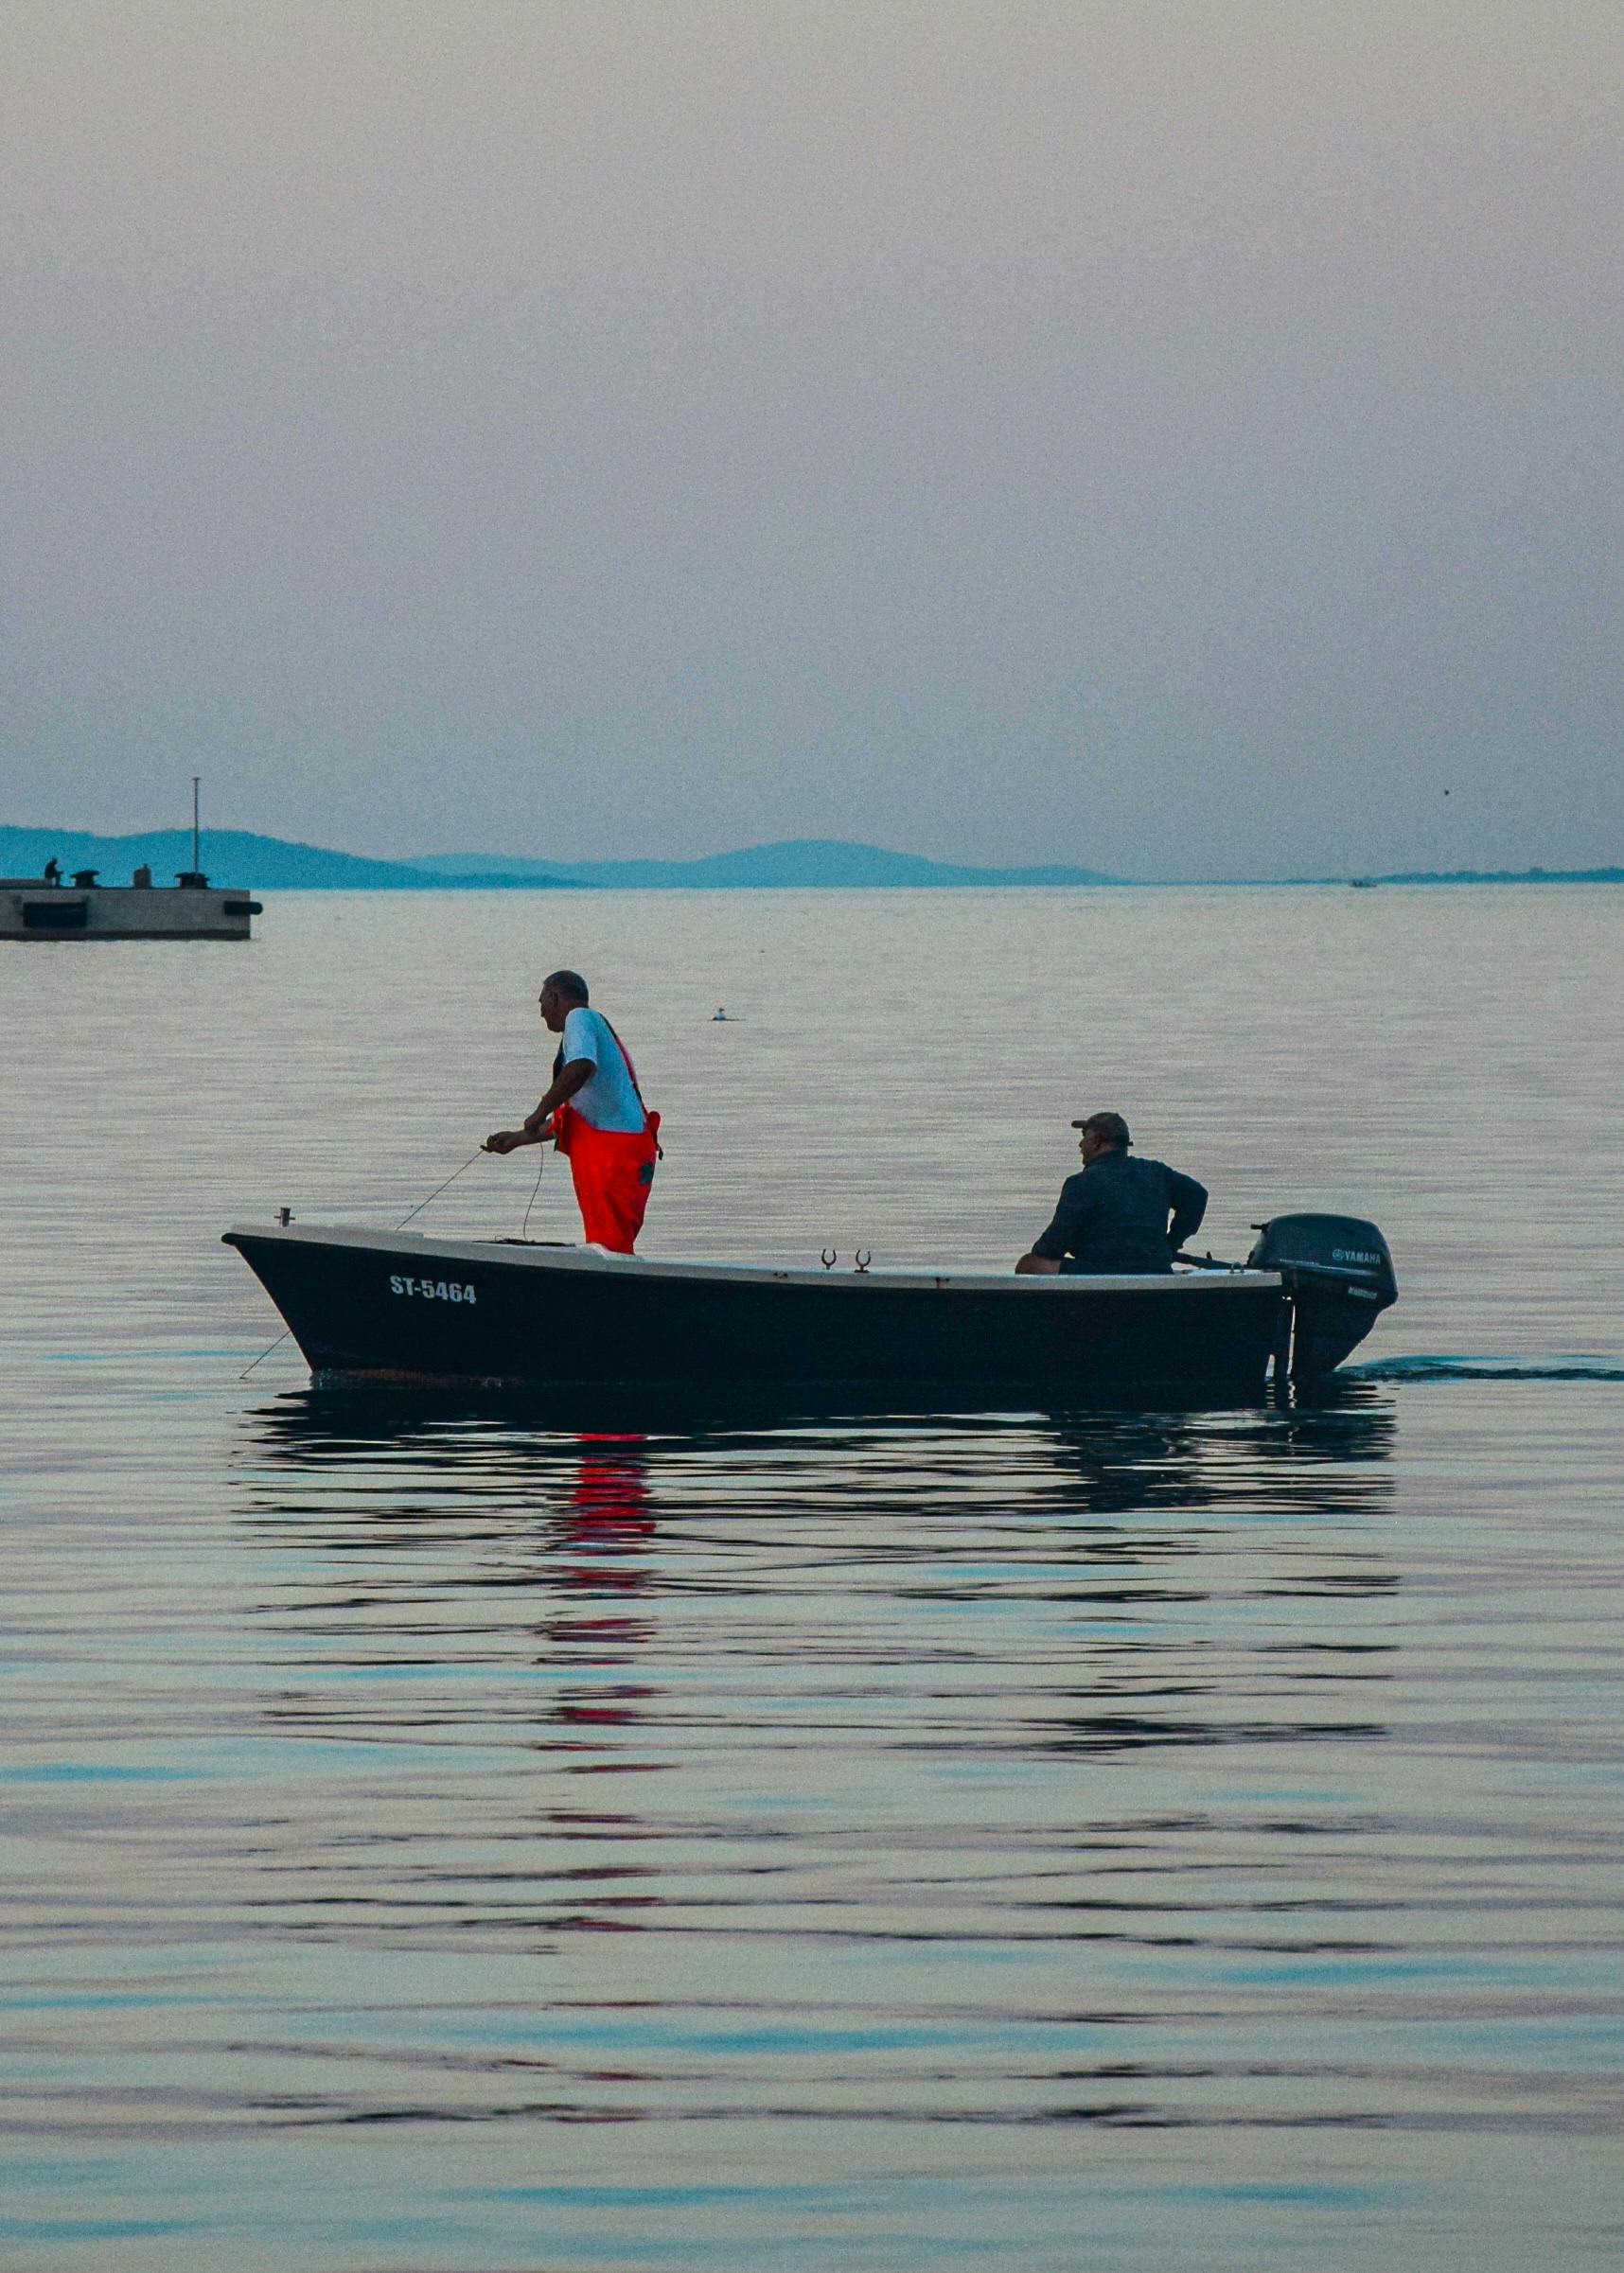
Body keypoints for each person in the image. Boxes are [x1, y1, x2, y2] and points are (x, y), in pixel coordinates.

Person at [485, 971, 661, 1253]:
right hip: (627, 1149)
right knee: (611, 1245)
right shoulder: (593, 1029)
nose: (541, 1014)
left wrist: (541, 1109)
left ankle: (611, 1291)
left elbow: (580, 1067)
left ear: (554, 997)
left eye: (542, 1003)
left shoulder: (579, 1018)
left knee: (609, 1247)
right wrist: (519, 1138)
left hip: (614, 1152)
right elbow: (574, 1119)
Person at [1015, 1112, 1207, 1275]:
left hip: (1102, 1272)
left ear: (1097, 1142)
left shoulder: (1081, 1183)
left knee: (1029, 1263)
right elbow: (1197, 1196)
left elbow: (1052, 1247)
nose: (1080, 1145)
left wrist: (1042, 1252)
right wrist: (1170, 1245)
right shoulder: (1157, 1172)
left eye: (1084, 1136)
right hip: (1156, 1268)